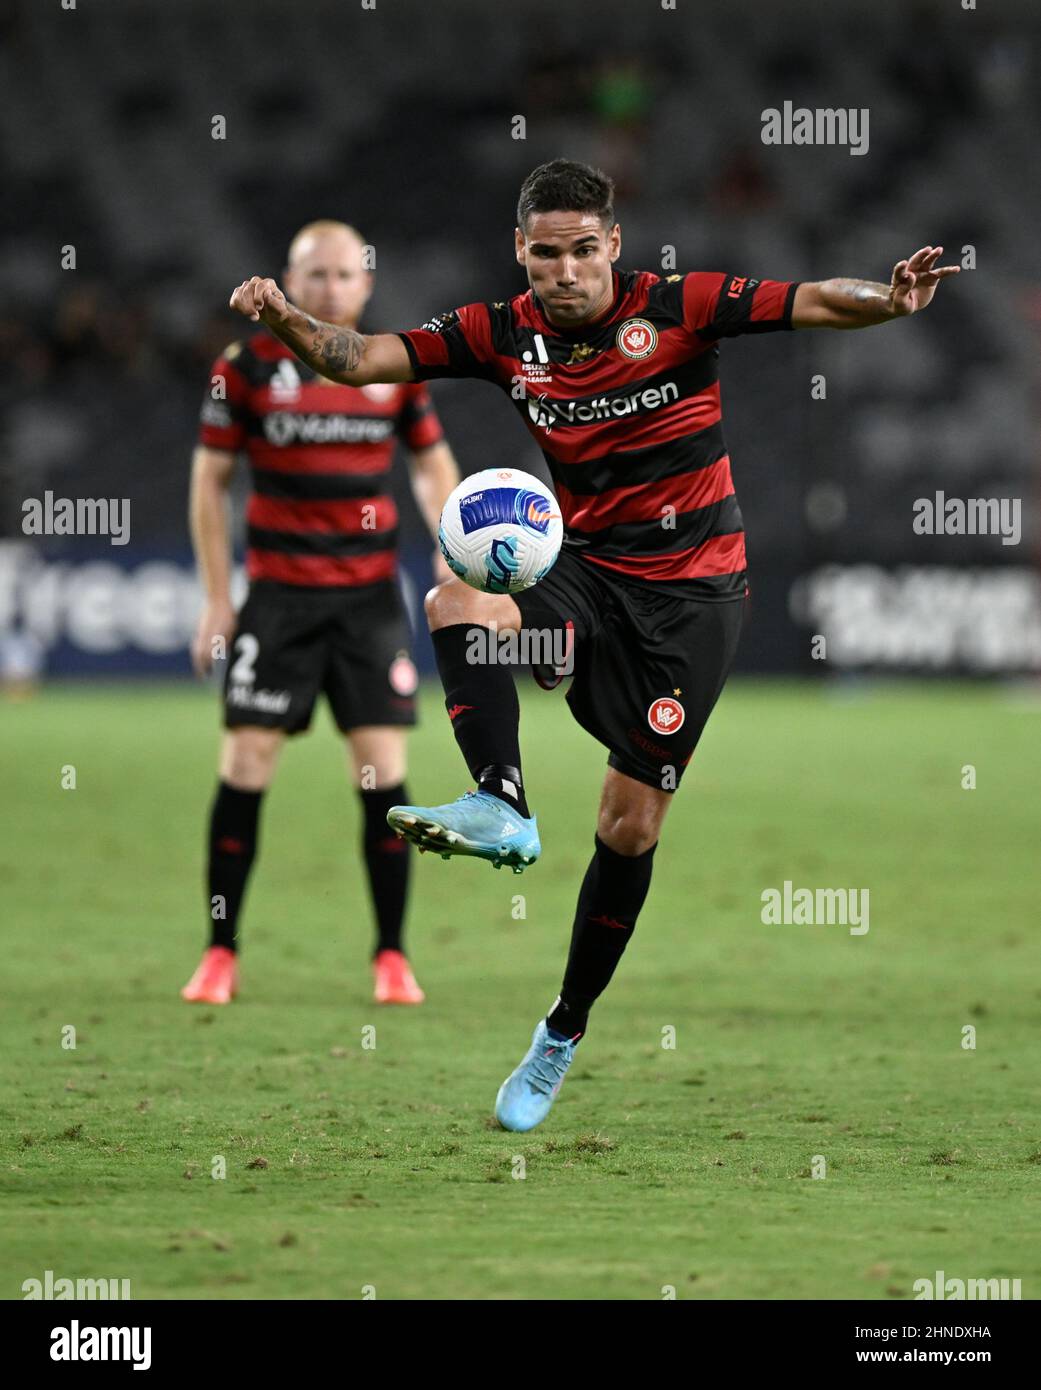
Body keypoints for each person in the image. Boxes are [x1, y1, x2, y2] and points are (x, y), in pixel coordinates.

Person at [226, 160, 959, 1127]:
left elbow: (817, 300)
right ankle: (502, 803)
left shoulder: (683, 305)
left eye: (582, 251)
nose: (564, 271)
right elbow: (360, 359)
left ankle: (560, 1032)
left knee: (628, 828)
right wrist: (281, 317)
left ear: (612, 245)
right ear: (520, 252)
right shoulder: (497, 332)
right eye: (544, 253)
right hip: (589, 571)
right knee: (457, 603)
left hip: (696, 597)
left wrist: (891, 300)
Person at [183, 220, 459, 1007]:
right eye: (315, 276)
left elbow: (431, 461)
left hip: (369, 602)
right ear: (289, 282)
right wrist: (215, 599)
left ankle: (392, 958)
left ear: (365, 285)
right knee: (244, 767)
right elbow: (209, 482)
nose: (330, 289)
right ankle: (219, 953)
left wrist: (450, 540)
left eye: (344, 276)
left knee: (382, 775)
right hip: (276, 602)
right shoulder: (243, 367)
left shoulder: (390, 368)